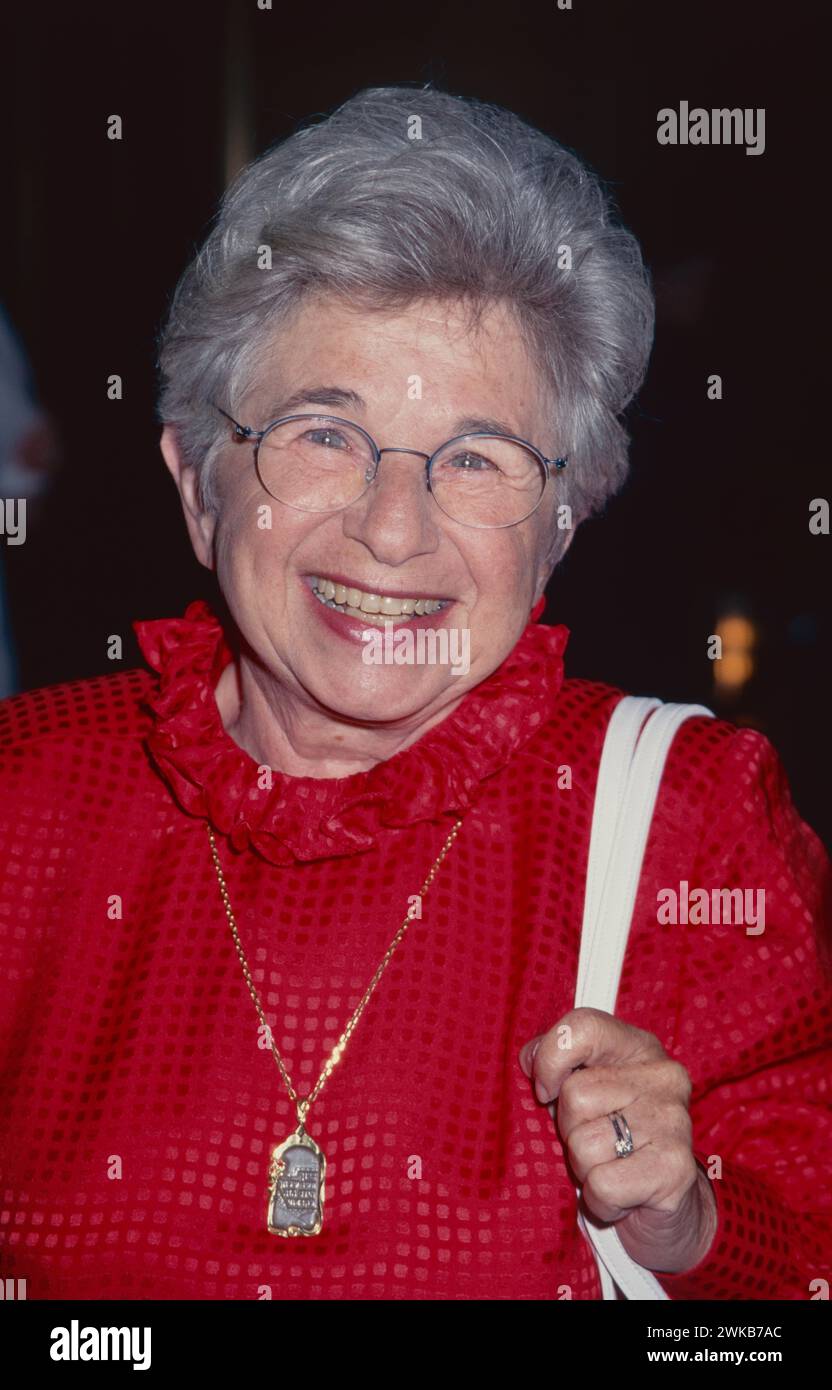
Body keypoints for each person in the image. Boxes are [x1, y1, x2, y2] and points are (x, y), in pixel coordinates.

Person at [0, 85, 829, 1301]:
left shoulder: (688, 821)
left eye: (478, 457)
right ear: (195, 486)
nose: (392, 531)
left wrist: (691, 1230)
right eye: (321, 434)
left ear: (560, 524)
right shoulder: (25, 797)